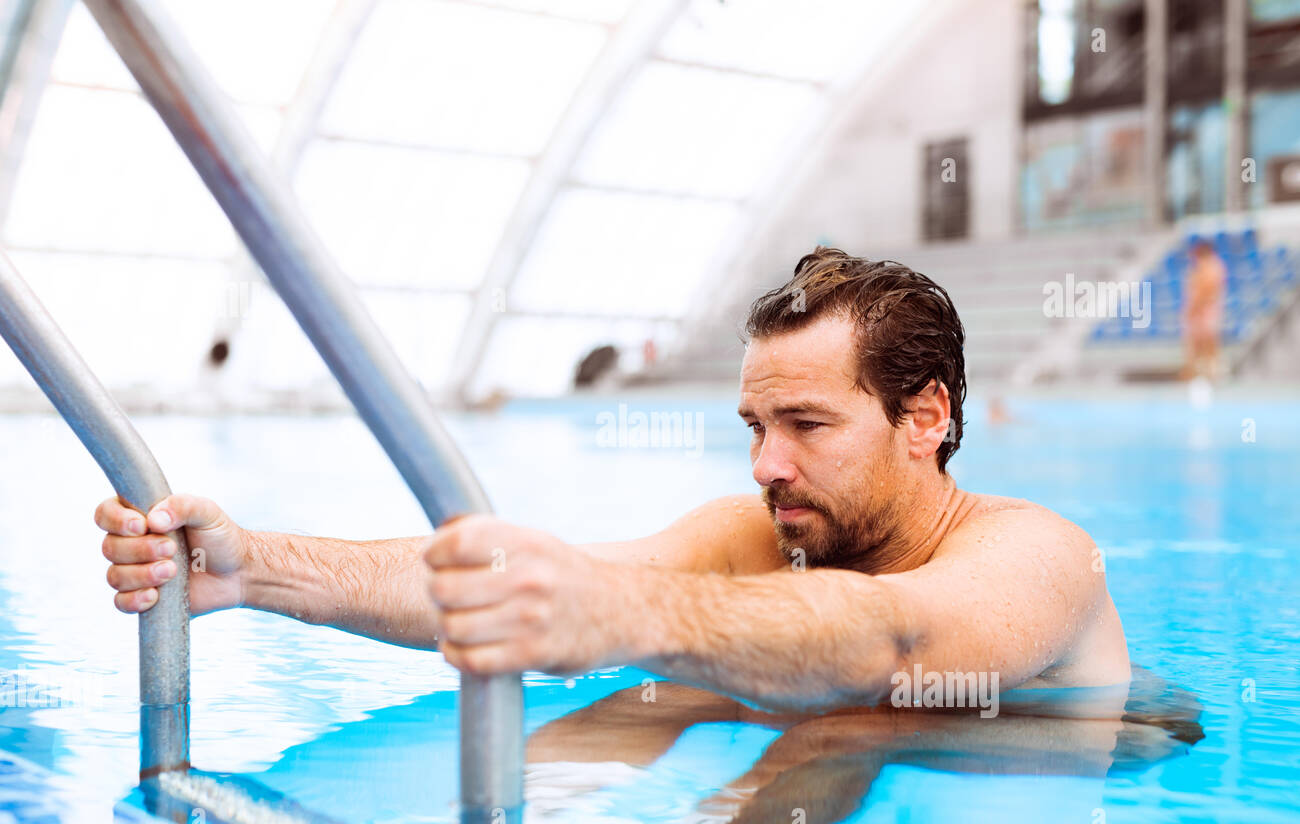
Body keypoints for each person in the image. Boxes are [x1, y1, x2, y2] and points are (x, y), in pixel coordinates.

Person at [96, 247, 1130, 712]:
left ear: (928, 416)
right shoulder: (762, 532)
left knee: (726, 698)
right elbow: (539, 573)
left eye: (806, 424)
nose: (767, 465)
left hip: (1025, 766)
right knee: (666, 700)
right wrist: (251, 568)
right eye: (754, 426)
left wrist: (619, 611)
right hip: (839, 754)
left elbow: (892, 636)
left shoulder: (1040, 555)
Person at [1180, 239, 1227, 382]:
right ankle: (1200, 372)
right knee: (1197, 345)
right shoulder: (1201, 267)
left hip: (1204, 311)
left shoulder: (1211, 267)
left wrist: (1193, 309)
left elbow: (1205, 291)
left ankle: (1210, 373)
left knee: (1207, 343)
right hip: (1201, 311)